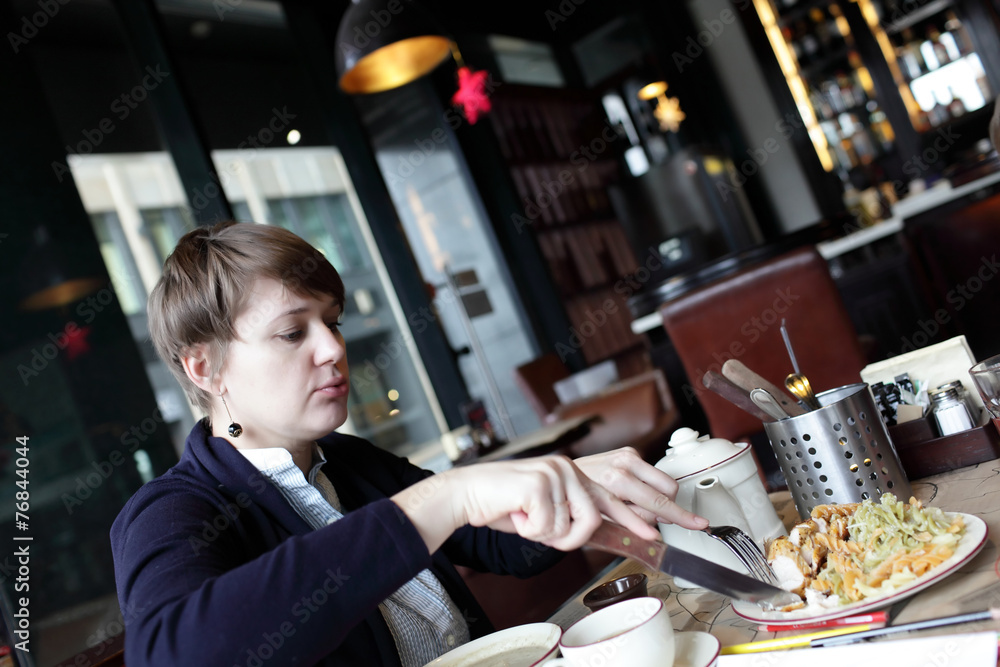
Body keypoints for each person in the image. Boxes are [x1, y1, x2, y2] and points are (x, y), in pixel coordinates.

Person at [110, 221, 706, 666]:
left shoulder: (348, 462)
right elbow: (173, 653)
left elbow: (500, 543)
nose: (333, 348)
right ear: (205, 368)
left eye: (332, 322)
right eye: (292, 332)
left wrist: (573, 485)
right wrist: (444, 498)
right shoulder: (172, 512)